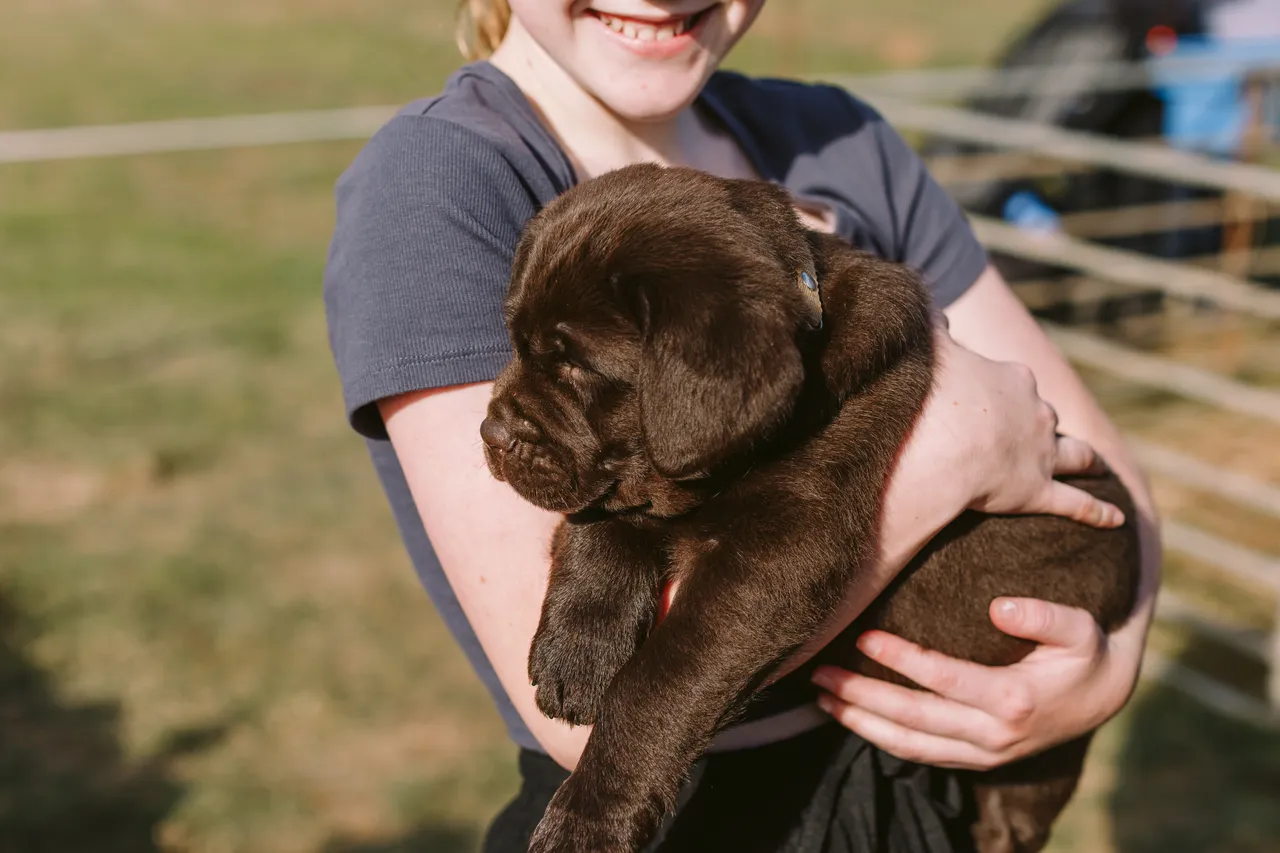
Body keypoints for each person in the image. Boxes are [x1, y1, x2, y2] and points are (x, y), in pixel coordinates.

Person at [323, 1, 1162, 849]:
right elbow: (585, 710)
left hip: (933, 794)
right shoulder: (444, 182)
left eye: (570, 366)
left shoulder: (834, 140)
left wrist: (1106, 675)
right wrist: (953, 456)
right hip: (695, 810)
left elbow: (1114, 486)